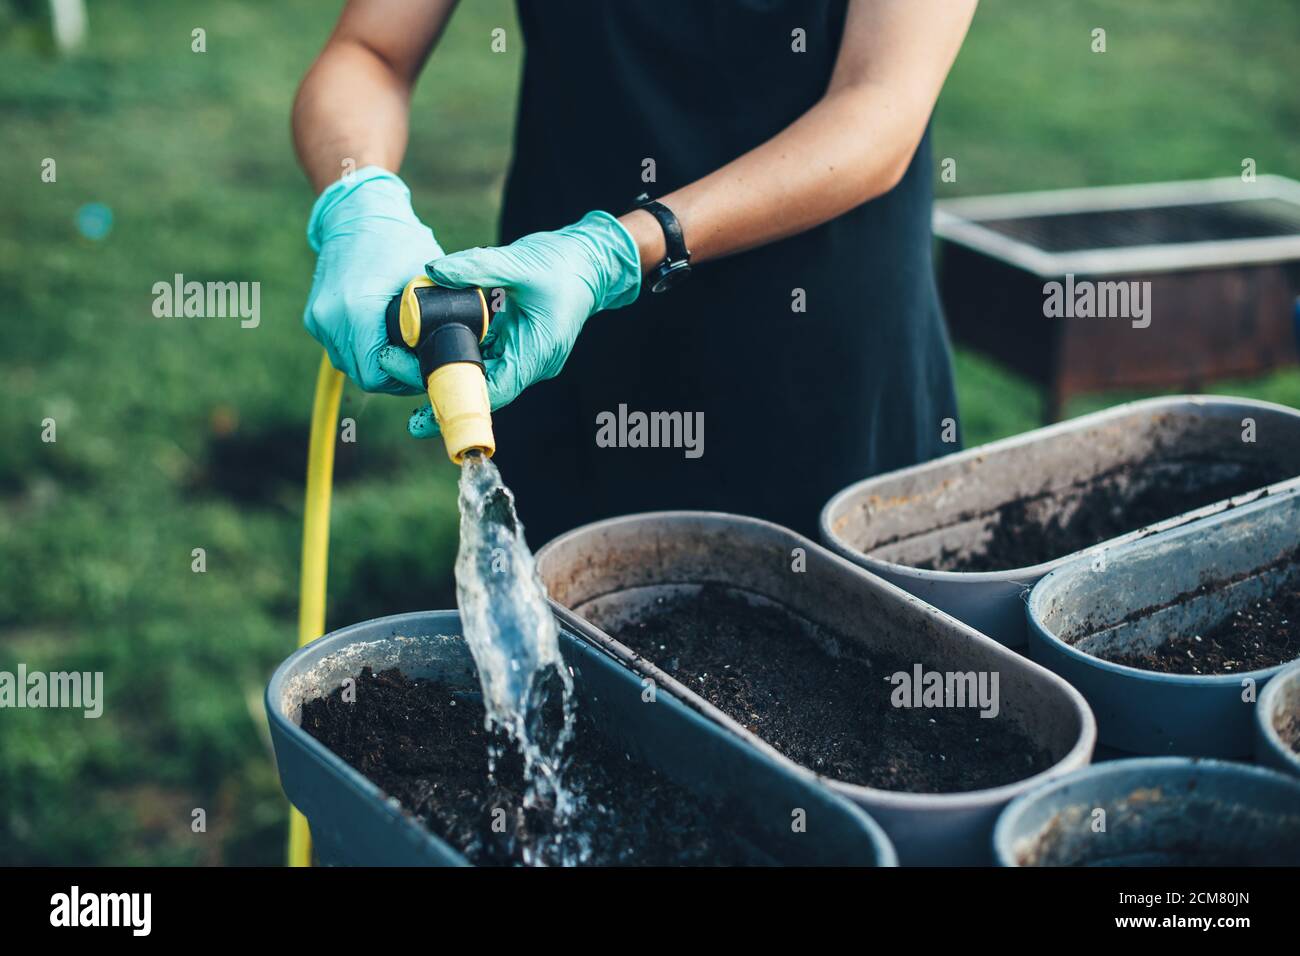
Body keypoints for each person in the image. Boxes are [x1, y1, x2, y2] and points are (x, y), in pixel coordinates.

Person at [295, 0, 977, 546]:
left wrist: (617, 251)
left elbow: (880, 107)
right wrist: (361, 198)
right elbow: (372, 52)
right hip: (564, 355)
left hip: (821, 373)